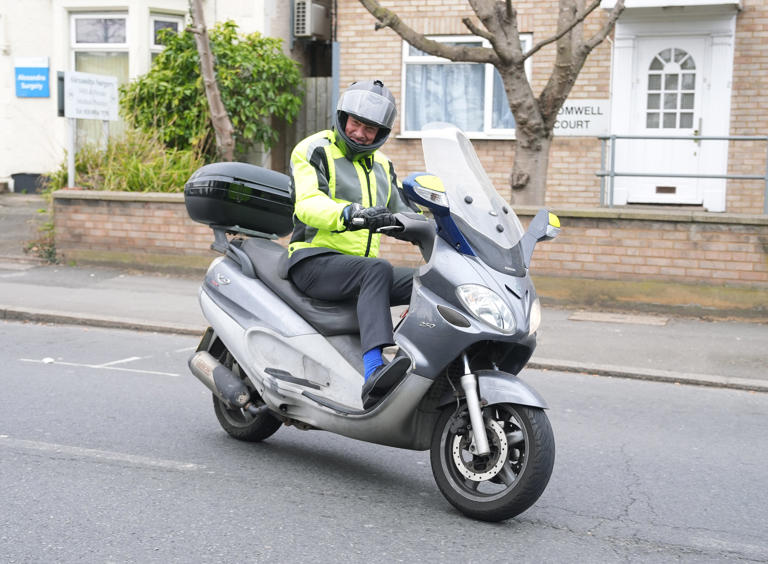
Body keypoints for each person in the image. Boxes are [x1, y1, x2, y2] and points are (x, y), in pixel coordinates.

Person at [286, 79, 416, 408]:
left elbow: (406, 213)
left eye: (369, 128)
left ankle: (418, 365)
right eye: (355, 123)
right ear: (343, 118)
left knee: (429, 282)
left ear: (381, 132)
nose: (359, 133)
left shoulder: (384, 166)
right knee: (376, 270)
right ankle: (374, 371)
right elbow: (308, 203)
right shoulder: (314, 149)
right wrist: (350, 213)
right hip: (313, 261)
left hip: (359, 272)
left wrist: (445, 224)